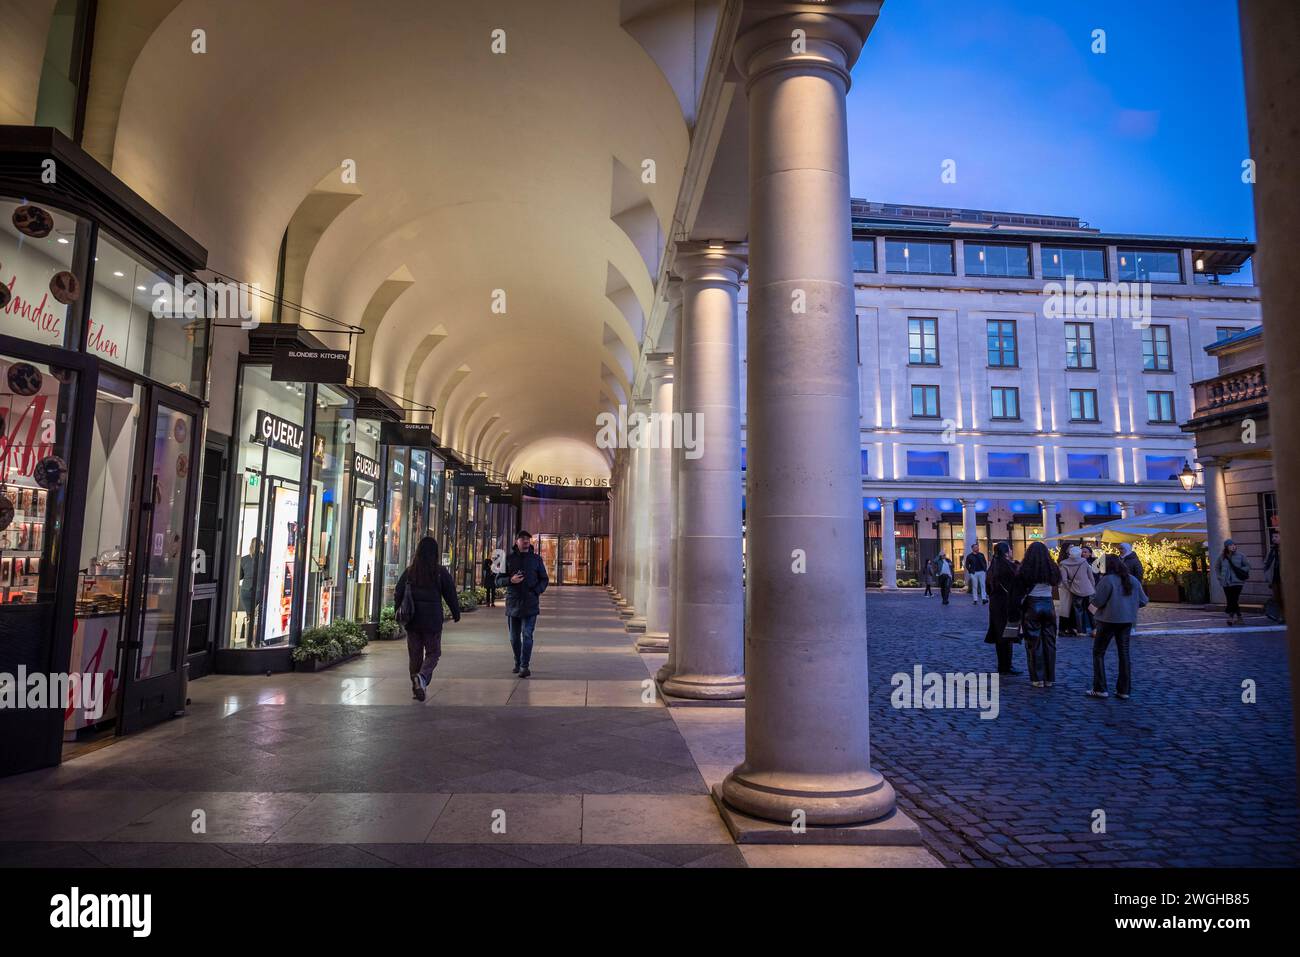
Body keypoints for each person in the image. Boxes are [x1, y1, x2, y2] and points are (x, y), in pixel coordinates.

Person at [394, 535, 461, 701]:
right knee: (433, 652)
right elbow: (450, 594)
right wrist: (455, 612)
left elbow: (398, 592)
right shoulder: (440, 572)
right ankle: (422, 678)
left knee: (415, 655)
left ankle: (417, 686)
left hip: (413, 620)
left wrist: (398, 611)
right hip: (432, 621)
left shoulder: (410, 572)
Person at [1087, 554, 1149, 699]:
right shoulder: (1132, 580)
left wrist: (1091, 610)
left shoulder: (1107, 580)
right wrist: (1130, 607)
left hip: (1107, 620)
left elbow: (1098, 601)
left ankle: (1100, 688)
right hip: (1127, 621)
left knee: (1098, 652)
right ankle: (1124, 690)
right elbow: (1143, 601)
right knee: (1124, 654)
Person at [496, 529, 549, 677]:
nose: (526, 541)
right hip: (513, 605)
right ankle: (518, 662)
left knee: (527, 635)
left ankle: (524, 666)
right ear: (516, 541)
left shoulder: (536, 559)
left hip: (530, 604)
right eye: (522, 539)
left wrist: (536, 591)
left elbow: (544, 579)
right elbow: (498, 580)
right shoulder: (508, 559)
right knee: (514, 638)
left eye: (528, 539)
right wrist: (510, 580)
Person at [1016, 541, 1061, 688]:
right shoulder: (1052, 567)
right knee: (1050, 642)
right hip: (1049, 605)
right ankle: (1050, 678)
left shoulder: (1026, 568)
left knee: (1034, 643)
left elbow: (1019, 589)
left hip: (1032, 605)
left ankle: (1037, 678)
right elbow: (1057, 582)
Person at [984, 542, 1022, 676]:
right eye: (1010, 549)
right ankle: (1007, 666)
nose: (1011, 551)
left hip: (995, 604)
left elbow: (987, 588)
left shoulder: (992, 567)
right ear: (1006, 552)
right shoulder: (1009, 567)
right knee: (1009, 635)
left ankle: (1002, 665)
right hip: (1007, 604)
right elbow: (1018, 584)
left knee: (1000, 636)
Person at [1059, 545, 1097, 637]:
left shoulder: (1063, 564)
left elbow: (1064, 580)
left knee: (1078, 612)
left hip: (1075, 591)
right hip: (1088, 590)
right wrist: (1093, 587)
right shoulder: (1084, 562)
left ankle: (1081, 631)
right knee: (1091, 610)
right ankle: (1095, 629)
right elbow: (1091, 577)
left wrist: (1070, 588)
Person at [1216, 539, 1251, 625]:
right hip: (1226, 582)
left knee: (1234, 599)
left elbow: (1248, 566)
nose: (1233, 546)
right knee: (1231, 600)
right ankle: (1239, 618)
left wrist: (1240, 570)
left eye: (1234, 545)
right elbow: (1217, 567)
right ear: (1226, 547)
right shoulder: (1222, 557)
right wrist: (1220, 577)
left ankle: (1230, 617)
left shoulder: (1241, 556)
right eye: (1231, 545)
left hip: (1237, 582)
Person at [238, 537, 263, 647]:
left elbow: (239, 576)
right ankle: (256, 641)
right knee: (258, 618)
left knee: (250, 617)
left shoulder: (243, 559)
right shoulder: (265, 558)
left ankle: (249, 642)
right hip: (258, 590)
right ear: (262, 546)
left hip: (245, 591)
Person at [1264, 531, 1283, 622]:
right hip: (1274, 579)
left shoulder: (1286, 549)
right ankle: (1282, 616)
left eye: (1276, 536)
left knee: (1285, 598)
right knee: (1277, 599)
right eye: (1273, 537)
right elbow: (1266, 564)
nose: (1273, 538)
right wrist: (1268, 577)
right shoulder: (1272, 551)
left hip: (1284, 579)